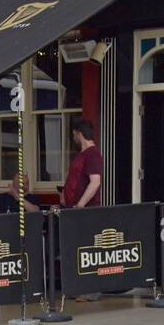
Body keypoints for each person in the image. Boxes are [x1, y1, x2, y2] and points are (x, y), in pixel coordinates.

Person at [62, 118, 105, 301]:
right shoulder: (84, 154)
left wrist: (81, 203)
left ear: (79, 133)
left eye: (74, 135)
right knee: (77, 249)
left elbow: (95, 182)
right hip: (74, 210)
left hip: (86, 211)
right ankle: (79, 287)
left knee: (88, 249)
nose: (74, 138)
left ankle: (92, 289)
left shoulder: (93, 154)